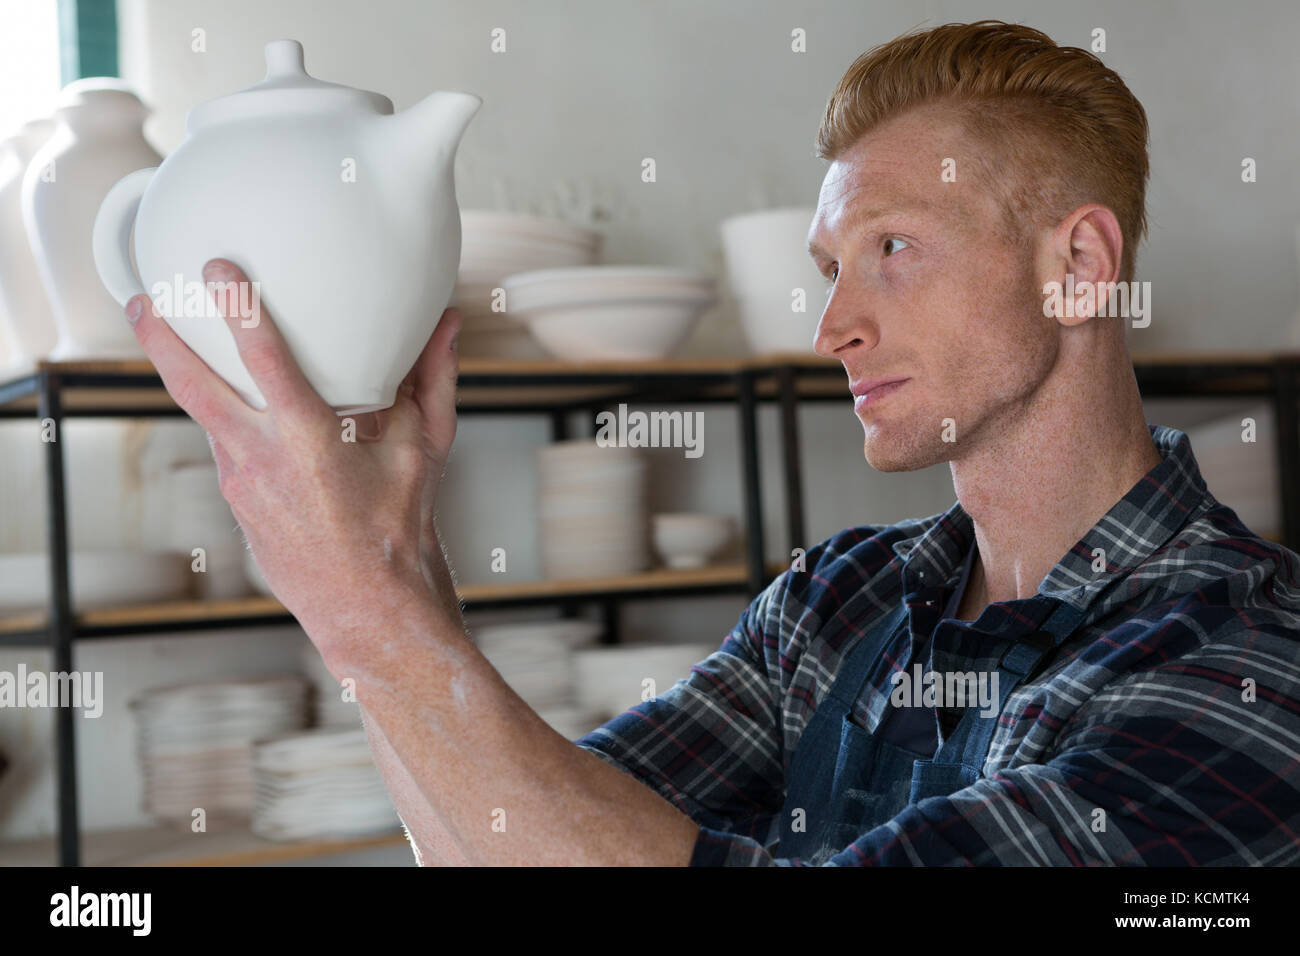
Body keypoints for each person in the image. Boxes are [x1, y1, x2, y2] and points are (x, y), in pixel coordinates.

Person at [124, 19, 1300, 866]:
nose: (834, 324)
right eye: (829, 269)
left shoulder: (1246, 658)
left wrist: (363, 611)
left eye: (893, 246)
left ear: (1078, 267)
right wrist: (390, 554)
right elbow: (515, 836)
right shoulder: (833, 604)